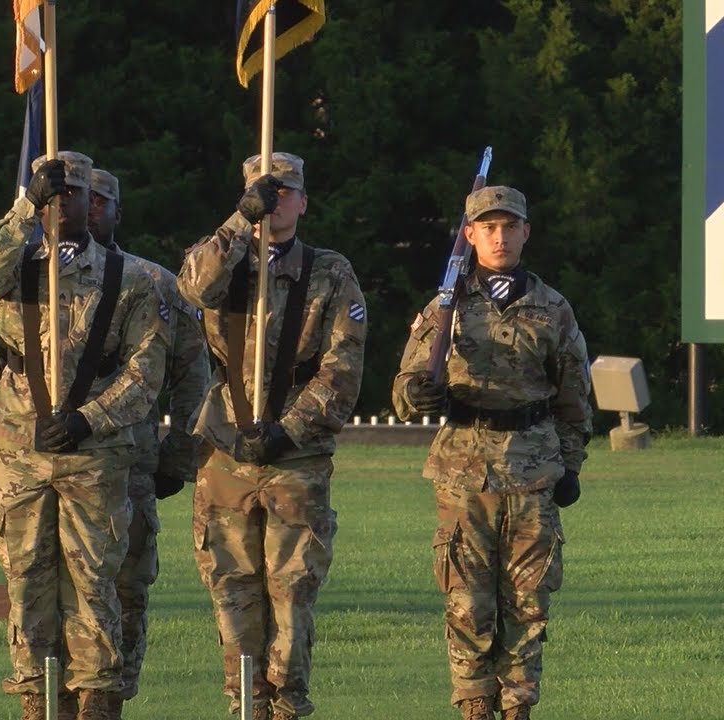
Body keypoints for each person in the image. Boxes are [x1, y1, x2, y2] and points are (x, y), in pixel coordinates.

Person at [0, 151, 168, 720]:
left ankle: (97, 699)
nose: (61, 203)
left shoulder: (129, 279)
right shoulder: (16, 271)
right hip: (21, 454)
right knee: (26, 580)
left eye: (73, 193)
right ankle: (37, 698)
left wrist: (89, 419)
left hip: (94, 456)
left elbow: (145, 373)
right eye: (51, 194)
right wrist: (24, 206)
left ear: (91, 201)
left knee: (93, 583)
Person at [177, 153, 367, 720]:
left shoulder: (331, 272)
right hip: (226, 450)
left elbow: (342, 368)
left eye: (285, 191)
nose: (275, 200)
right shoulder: (221, 255)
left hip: (296, 454)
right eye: (264, 191)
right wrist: (242, 221)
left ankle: (287, 703)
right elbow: (195, 288)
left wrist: (288, 432)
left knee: (292, 587)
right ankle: (246, 703)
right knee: (231, 586)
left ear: (303, 202)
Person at [392, 186, 591, 720]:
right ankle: (476, 704)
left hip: (532, 470)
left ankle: (518, 705)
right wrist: (417, 394)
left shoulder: (553, 308)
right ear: (471, 235)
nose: (499, 237)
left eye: (509, 227)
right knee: (466, 599)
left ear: (526, 232)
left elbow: (574, 398)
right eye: (488, 228)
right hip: (464, 472)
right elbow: (406, 383)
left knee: (528, 600)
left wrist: (571, 465)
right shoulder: (446, 305)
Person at [87, 167, 209, 716]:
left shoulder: (154, 282)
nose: (89, 210)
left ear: (118, 211)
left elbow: (192, 374)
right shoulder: (37, 279)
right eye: (80, 200)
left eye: (100, 202)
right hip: (51, 465)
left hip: (130, 467)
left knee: (126, 591)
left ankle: (110, 700)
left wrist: (177, 457)